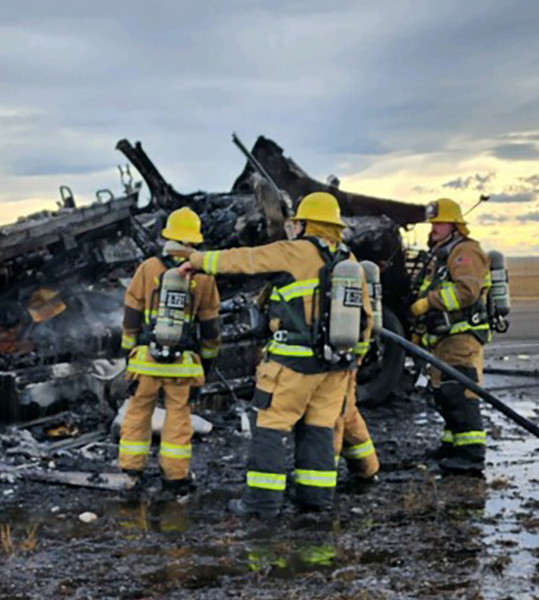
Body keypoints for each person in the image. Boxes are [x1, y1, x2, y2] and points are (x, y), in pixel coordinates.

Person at [179, 192, 372, 517]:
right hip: (335, 367)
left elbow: (244, 260)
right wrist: (356, 361)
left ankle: (261, 504)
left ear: (307, 224)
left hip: (292, 364)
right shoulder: (349, 262)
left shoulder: (294, 251)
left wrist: (196, 261)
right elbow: (366, 319)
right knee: (320, 429)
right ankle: (315, 500)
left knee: (270, 426)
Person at [117, 207, 221, 495]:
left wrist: (129, 356)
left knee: (138, 413)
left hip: (146, 361)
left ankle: (131, 471)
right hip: (183, 365)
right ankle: (174, 476)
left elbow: (131, 317)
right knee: (178, 417)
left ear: (168, 236)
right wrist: (206, 364)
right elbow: (210, 329)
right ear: (194, 240)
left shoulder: (148, 268)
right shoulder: (203, 276)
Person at [411, 198, 491, 475]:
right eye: (432, 223)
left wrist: (428, 302)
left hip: (461, 336)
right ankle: (452, 445)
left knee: (460, 394)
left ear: (455, 225)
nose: (433, 228)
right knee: (444, 393)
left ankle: (471, 454)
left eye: (439, 223)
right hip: (444, 338)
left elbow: (466, 292)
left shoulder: (465, 251)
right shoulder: (442, 254)